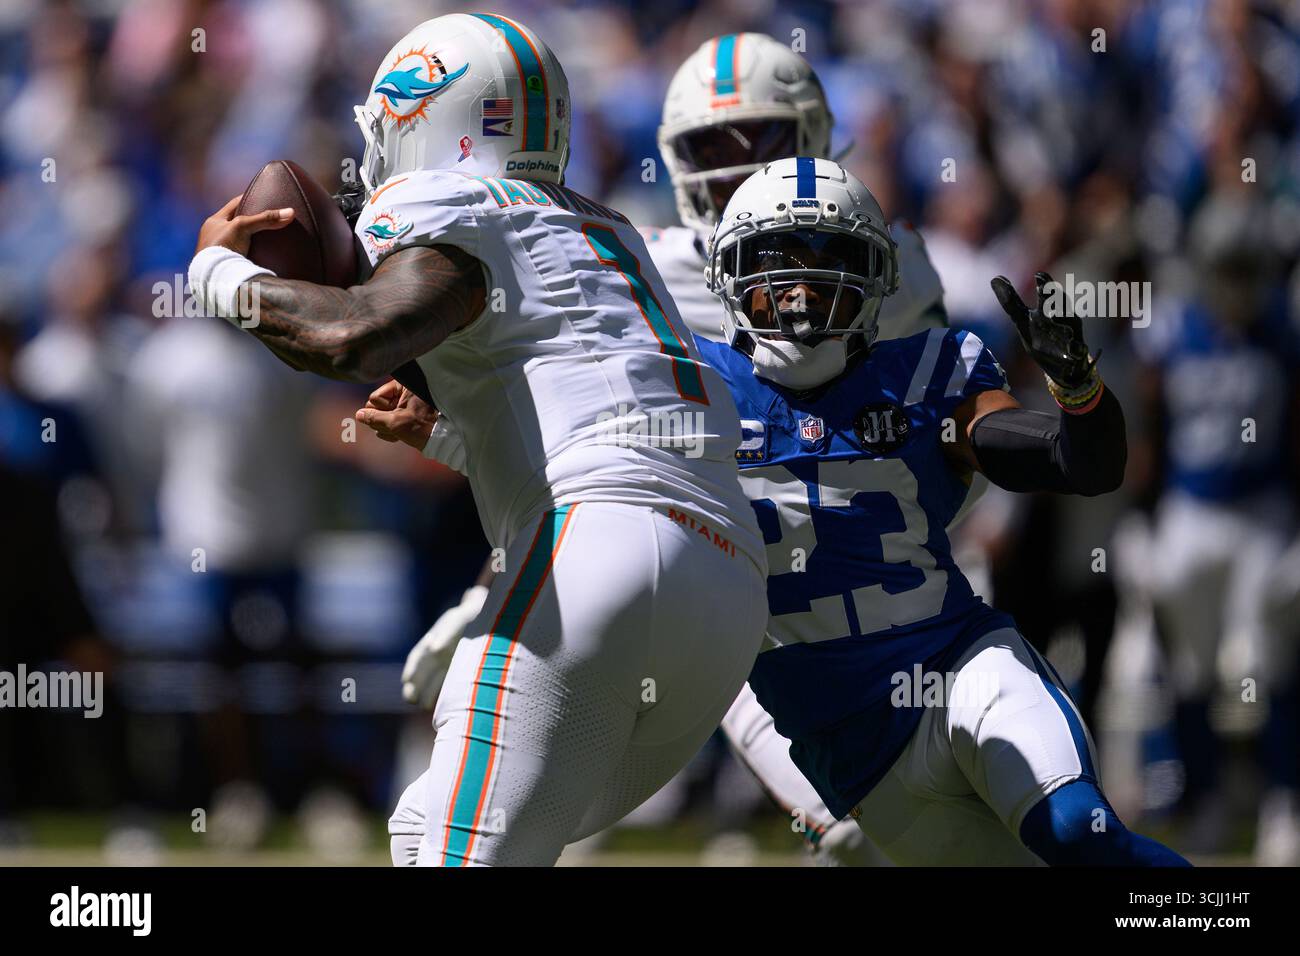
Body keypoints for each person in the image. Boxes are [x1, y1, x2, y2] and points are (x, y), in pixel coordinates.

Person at [367, 158, 1188, 865]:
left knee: (1081, 836)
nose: (798, 284)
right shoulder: (691, 382)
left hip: (961, 668)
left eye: (827, 258)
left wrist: (1077, 392)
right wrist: (450, 436)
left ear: (873, 278)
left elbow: (1080, 462)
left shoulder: (925, 374)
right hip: (849, 747)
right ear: (729, 276)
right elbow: (591, 484)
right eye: (775, 258)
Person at [186, 12, 768, 866]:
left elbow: (355, 336)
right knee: (431, 832)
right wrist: (451, 438)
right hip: (726, 583)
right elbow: (608, 405)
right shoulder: (607, 230)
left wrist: (219, 275)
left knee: (454, 854)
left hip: (595, 546)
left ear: (414, 116)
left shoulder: (450, 207)